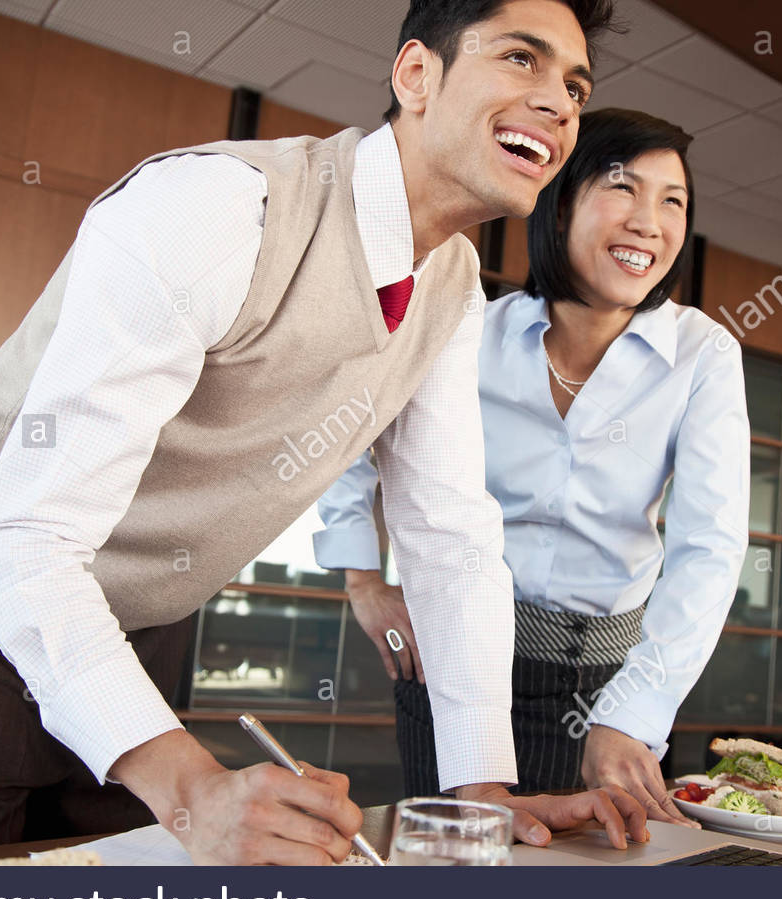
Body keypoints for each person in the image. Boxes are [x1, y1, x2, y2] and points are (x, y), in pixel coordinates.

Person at [0, 0, 653, 865]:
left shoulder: (453, 283)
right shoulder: (219, 205)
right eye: (522, 60)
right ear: (416, 75)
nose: (561, 103)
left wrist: (484, 797)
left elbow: (449, 537)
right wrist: (193, 792)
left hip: (139, 620)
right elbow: (26, 541)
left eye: (575, 85)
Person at [315, 107, 751, 824]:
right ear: (558, 205)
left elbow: (710, 547)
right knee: (458, 863)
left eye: (673, 201)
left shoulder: (702, 355)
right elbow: (349, 434)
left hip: (609, 685)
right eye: (624, 189)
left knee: (587, 884)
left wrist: (634, 714)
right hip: (453, 657)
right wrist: (363, 580)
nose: (651, 221)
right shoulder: (469, 327)